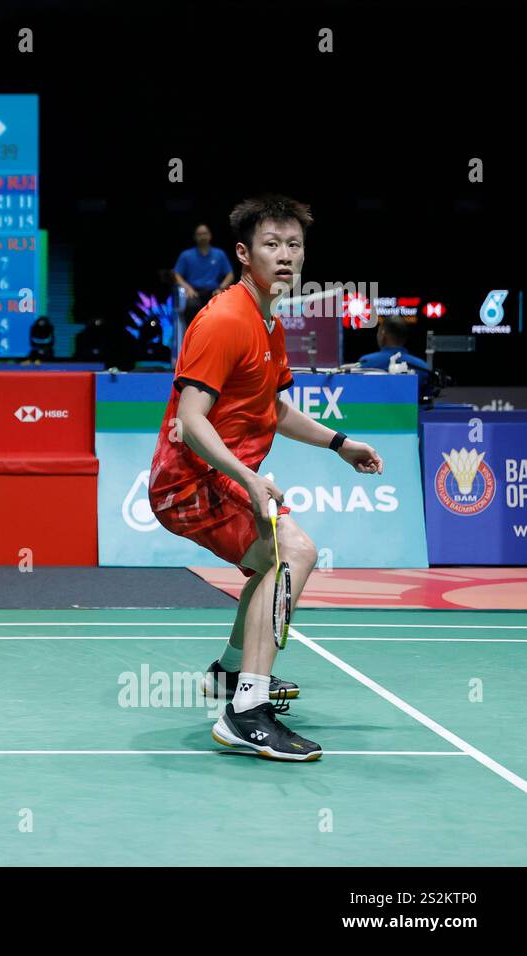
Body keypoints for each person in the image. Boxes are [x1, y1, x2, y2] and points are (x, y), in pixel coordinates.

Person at [148, 195, 383, 761]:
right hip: (190, 480)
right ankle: (245, 714)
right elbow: (190, 420)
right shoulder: (226, 320)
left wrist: (339, 443)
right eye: (271, 245)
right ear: (243, 253)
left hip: (218, 475)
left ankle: (231, 676)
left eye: (293, 245)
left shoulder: (268, 319)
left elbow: (272, 410)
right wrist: (250, 481)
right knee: (293, 553)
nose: (285, 256)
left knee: (269, 562)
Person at [173, 224, 234, 331]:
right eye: (199, 234)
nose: (202, 236)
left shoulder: (219, 254)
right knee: (191, 306)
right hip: (194, 292)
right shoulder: (186, 255)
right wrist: (188, 288)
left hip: (214, 292)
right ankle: (193, 335)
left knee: (224, 307)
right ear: (195, 237)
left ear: (210, 236)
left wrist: (221, 288)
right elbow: (176, 274)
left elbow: (230, 274)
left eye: (205, 233)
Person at [358, 314, 432, 399]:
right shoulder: (422, 367)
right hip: (410, 412)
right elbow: (427, 403)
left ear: (383, 334)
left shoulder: (366, 363)